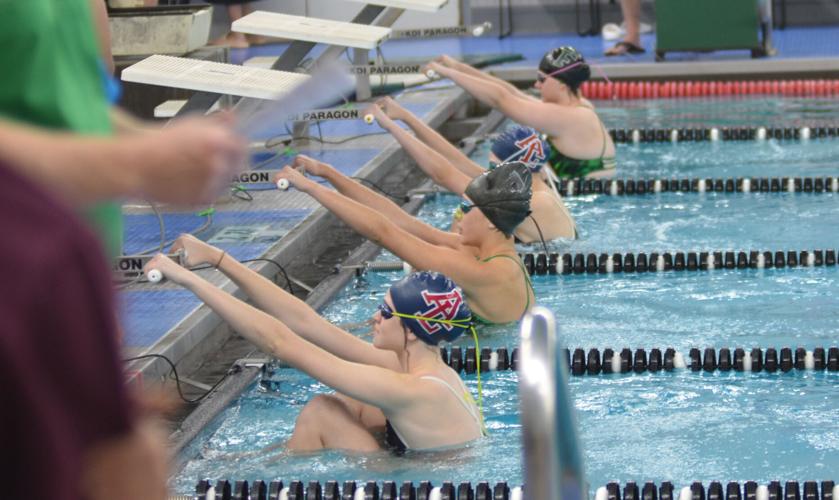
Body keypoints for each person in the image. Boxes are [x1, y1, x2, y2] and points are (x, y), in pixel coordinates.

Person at [146, 238, 484, 452]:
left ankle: (271, 468)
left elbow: (280, 343)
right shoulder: (420, 369)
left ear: (411, 331)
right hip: (421, 471)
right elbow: (306, 323)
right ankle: (275, 456)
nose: (374, 318)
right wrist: (217, 259)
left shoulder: (413, 389)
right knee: (353, 400)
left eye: (385, 312)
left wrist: (188, 280)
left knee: (322, 413)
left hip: (417, 485)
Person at [277, 158, 535, 325]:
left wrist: (311, 188)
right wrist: (327, 172)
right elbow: (401, 222)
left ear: (491, 221)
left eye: (467, 209)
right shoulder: (488, 253)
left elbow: (384, 233)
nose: (459, 215)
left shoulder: (486, 273)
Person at [368, 97, 577, 241]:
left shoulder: (531, 202)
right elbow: (458, 161)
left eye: (494, 166)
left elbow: (443, 175)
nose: (491, 172)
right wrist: (405, 116)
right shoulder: (532, 187)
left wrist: (390, 127)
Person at [424, 49, 616, 180]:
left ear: (561, 85)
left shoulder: (566, 118)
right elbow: (513, 93)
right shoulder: (579, 107)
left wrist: (447, 73)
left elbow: (501, 99)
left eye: (542, 79)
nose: (537, 85)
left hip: (587, 205)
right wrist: (457, 67)